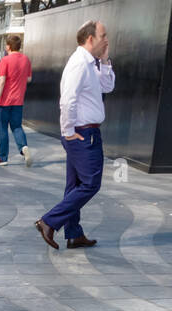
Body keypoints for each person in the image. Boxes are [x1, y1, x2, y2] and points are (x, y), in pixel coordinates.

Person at [36, 19, 113, 250]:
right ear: (90, 38)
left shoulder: (91, 63)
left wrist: (106, 60)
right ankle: (49, 221)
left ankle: (74, 234)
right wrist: (68, 132)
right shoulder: (80, 63)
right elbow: (67, 100)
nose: (106, 40)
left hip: (84, 132)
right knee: (91, 184)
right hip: (82, 134)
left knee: (74, 186)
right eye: (103, 36)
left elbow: (107, 87)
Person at [0, 35, 33, 167]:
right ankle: (23, 147)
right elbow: (29, 79)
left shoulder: (5, 60)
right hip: (18, 101)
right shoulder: (26, 60)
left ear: (8, 46)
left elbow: (2, 81)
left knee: (3, 128)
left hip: (5, 102)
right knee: (17, 127)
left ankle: (3, 158)